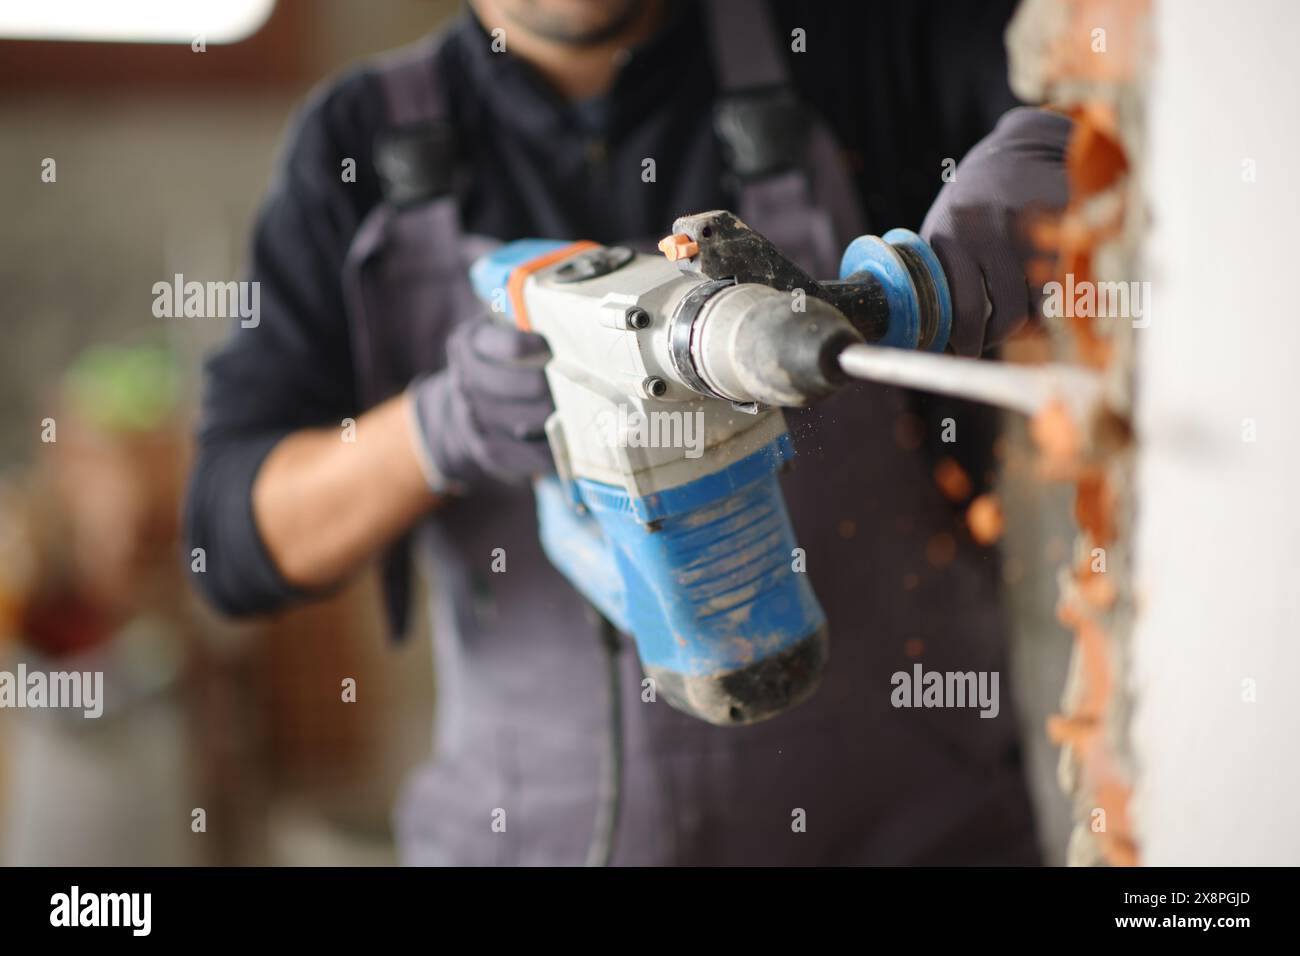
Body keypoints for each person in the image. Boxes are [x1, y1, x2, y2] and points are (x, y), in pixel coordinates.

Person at [186, 0, 1071, 865]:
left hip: (916, 828)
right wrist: (437, 427)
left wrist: (1046, 157)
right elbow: (231, 538)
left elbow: (1099, 100)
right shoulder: (355, 142)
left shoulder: (855, 38)